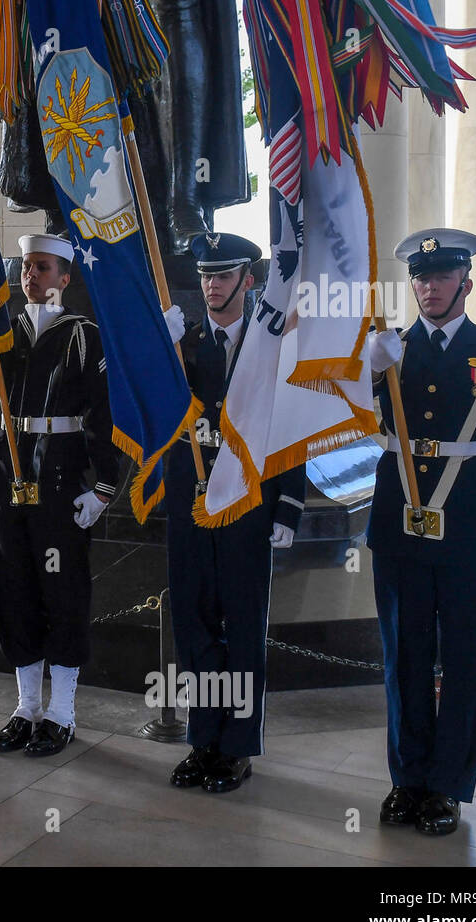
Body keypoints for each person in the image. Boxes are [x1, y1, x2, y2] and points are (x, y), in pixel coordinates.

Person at [366, 229, 476, 836]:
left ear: (466, 283)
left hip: (471, 525)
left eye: (440, 277)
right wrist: (366, 374)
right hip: (399, 525)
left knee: (464, 659)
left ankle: (446, 787)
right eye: (419, 277)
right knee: (404, 658)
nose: (427, 287)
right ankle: (407, 779)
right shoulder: (384, 351)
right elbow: (345, 422)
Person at [164, 233, 305, 793]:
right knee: (195, 627)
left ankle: (238, 746)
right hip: (193, 505)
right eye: (206, 276)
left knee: (243, 628)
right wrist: (161, 353)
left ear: (249, 280)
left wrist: (288, 508)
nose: (212, 285)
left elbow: (290, 429)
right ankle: (204, 741)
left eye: (224, 275)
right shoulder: (185, 344)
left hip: (249, 503)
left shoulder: (269, 347)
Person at [0, 234, 123, 758]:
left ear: (65, 278)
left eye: (42, 267)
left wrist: (105, 487)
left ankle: (61, 712)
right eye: (25, 267)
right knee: (13, 586)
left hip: (60, 474)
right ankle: (26, 708)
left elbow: (105, 416)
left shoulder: (84, 335)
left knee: (61, 591)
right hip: (9, 472)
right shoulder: (1, 332)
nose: (31, 275)